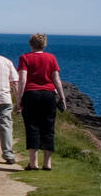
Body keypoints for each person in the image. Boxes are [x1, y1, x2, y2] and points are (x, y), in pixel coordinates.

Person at [16, 33, 66, 171]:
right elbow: (56, 79)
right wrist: (62, 97)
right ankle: (47, 163)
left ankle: (33, 163)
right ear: (44, 44)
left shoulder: (25, 58)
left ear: (31, 43)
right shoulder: (51, 58)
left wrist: (18, 99)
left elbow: (22, 80)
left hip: (31, 95)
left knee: (32, 127)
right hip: (48, 95)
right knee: (48, 128)